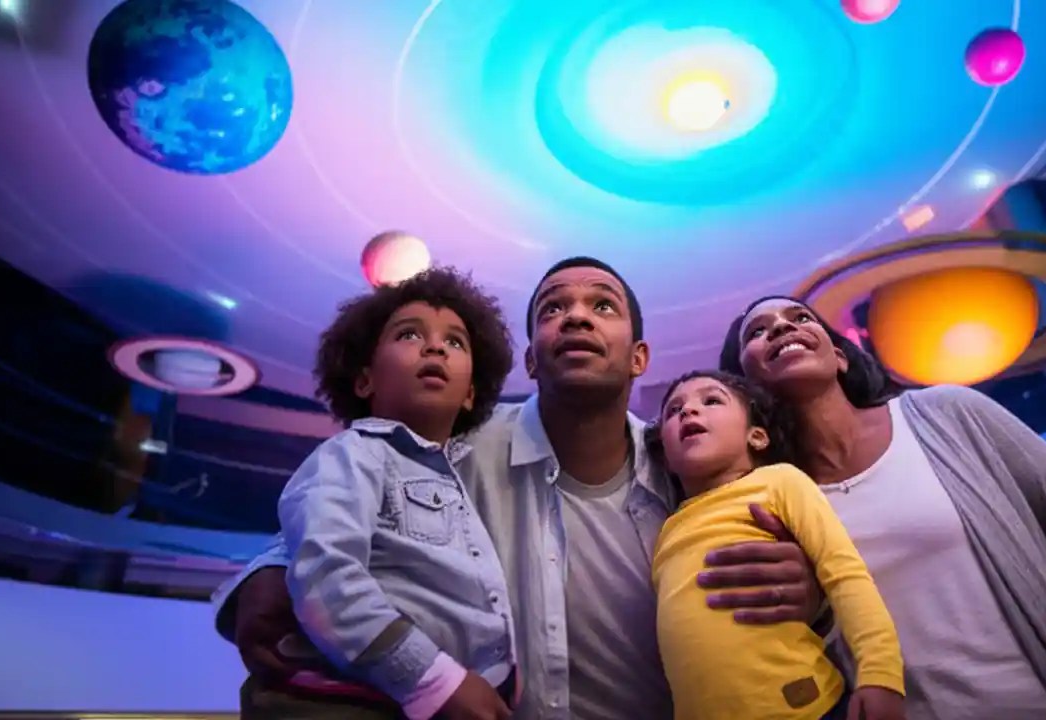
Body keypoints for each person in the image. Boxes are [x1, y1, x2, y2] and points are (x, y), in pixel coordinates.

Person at [212, 258, 827, 720]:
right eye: (554, 309)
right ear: (530, 359)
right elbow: (335, 517)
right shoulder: (447, 449)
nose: (578, 316)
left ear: (639, 357)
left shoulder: (690, 463)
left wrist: (807, 588)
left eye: (602, 306)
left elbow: (812, 555)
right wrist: (266, 571)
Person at [719, 295, 1046, 720]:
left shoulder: (950, 414)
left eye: (800, 317)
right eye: (758, 331)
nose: (782, 328)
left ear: (839, 355)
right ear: (745, 390)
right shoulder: (768, 502)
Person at [244, 267, 518, 720]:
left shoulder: (463, 476)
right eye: (409, 335)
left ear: (470, 394)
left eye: (455, 342)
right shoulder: (353, 454)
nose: (434, 346)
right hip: (367, 701)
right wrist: (433, 680)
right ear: (365, 380)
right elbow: (327, 574)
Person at [647, 370, 905, 720]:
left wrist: (881, 674)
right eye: (674, 411)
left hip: (807, 708)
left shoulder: (778, 481)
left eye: (711, 401)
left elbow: (845, 574)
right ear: (665, 456)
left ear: (756, 437)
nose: (688, 412)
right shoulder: (666, 529)